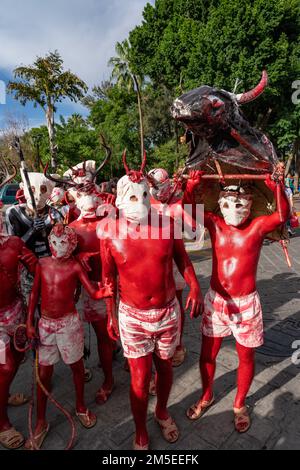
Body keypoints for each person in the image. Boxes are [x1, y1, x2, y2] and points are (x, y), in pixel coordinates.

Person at [99, 160, 203, 450]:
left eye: (144, 194)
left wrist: (194, 285)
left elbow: (183, 260)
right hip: (131, 316)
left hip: (168, 311)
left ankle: (161, 411)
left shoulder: (167, 225)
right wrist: (110, 314)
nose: (141, 202)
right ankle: (140, 428)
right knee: (140, 378)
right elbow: (108, 280)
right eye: (133, 196)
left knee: (166, 369)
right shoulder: (108, 233)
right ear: (120, 199)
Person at [185, 165, 290, 433]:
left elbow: (281, 216)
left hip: (246, 305)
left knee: (246, 357)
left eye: (241, 201)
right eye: (229, 201)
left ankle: (240, 404)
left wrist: (275, 185)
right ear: (221, 202)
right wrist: (189, 187)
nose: (235, 206)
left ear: (250, 202)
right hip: (216, 302)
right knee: (208, 353)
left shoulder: (256, 227)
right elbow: (188, 213)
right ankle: (206, 395)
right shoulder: (215, 223)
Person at [25, 224, 113, 450]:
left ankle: (81, 406)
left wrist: (105, 291)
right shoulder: (42, 265)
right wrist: (29, 322)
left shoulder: (74, 266)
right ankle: (41, 421)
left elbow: (92, 292)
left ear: (72, 245)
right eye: (53, 241)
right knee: (44, 373)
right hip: (45, 324)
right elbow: (35, 293)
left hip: (69, 324)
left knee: (76, 367)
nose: (56, 246)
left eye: (63, 242)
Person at [0, 209, 37, 449]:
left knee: (19, 355)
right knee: (6, 365)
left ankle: (5, 394)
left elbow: (37, 269)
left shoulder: (12, 243)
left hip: (15, 310)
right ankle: (2, 422)